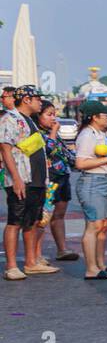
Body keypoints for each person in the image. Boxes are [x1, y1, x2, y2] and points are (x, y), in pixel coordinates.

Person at [1, 86, 55, 280]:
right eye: (38, 99)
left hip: (37, 179)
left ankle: (31, 262)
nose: (40, 102)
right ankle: (12, 266)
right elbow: (5, 149)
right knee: (15, 221)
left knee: (32, 220)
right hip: (21, 178)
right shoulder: (10, 118)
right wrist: (16, 178)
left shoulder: (30, 121)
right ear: (26, 99)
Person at [71, 100, 107, 280]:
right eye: (105, 115)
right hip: (93, 183)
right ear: (94, 117)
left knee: (104, 226)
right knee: (94, 226)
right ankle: (91, 268)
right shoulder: (87, 135)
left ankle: (101, 264)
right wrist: (106, 161)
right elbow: (81, 163)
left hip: (104, 180)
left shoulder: (100, 133)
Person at [35, 101, 79, 263]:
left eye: (54, 114)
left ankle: (62, 249)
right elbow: (48, 149)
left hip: (62, 176)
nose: (53, 118)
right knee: (43, 217)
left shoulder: (53, 131)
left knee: (59, 215)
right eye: (49, 114)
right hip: (48, 178)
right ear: (38, 116)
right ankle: (36, 255)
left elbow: (65, 153)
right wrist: (54, 132)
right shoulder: (37, 132)